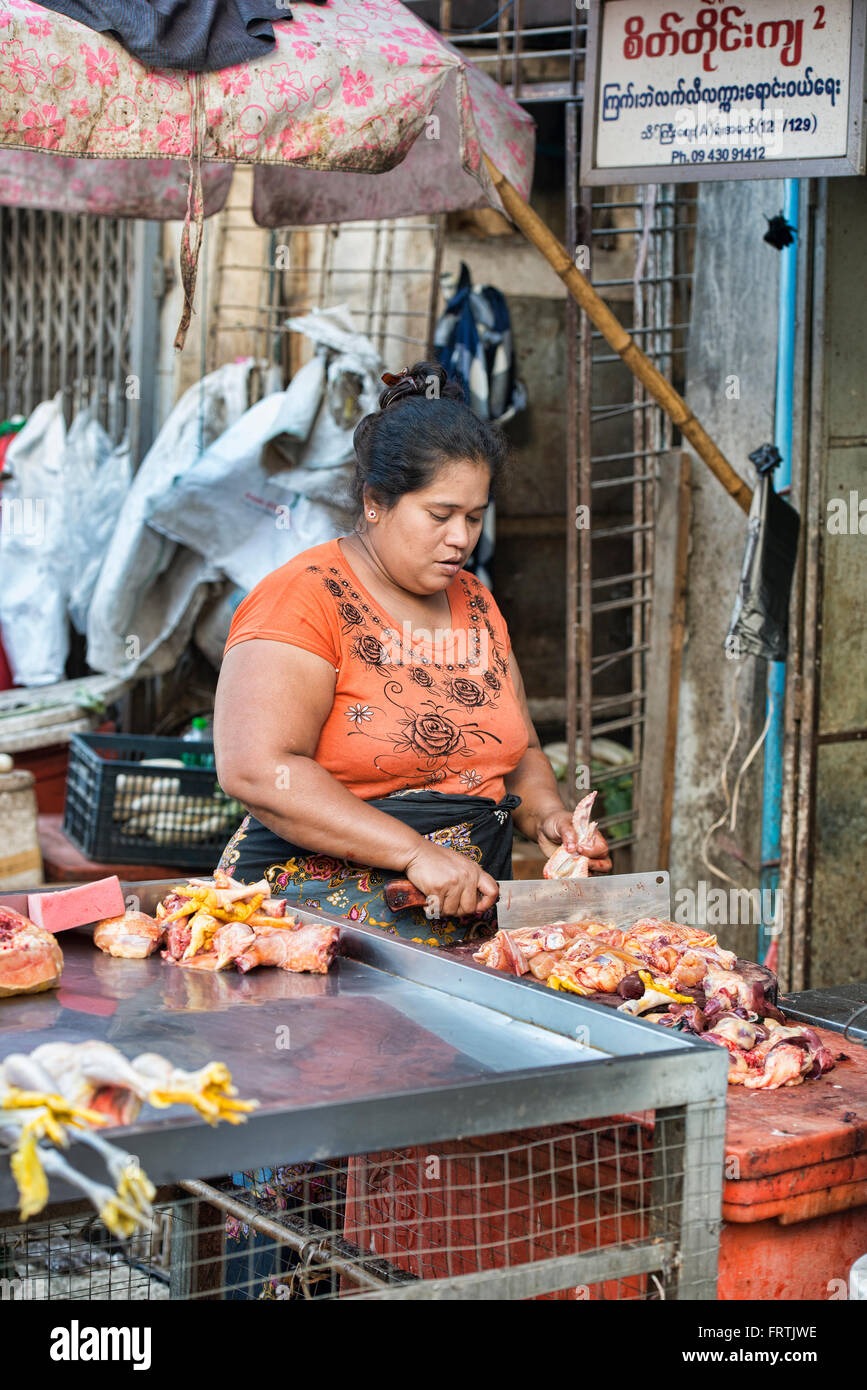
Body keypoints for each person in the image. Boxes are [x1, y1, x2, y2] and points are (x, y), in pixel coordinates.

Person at [214, 362, 609, 944]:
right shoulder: (303, 598)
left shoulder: (476, 603)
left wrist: (546, 816)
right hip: (307, 922)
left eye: (475, 517)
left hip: (462, 925)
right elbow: (257, 770)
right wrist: (412, 851)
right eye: (440, 515)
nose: (461, 538)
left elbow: (516, 749)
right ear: (376, 501)